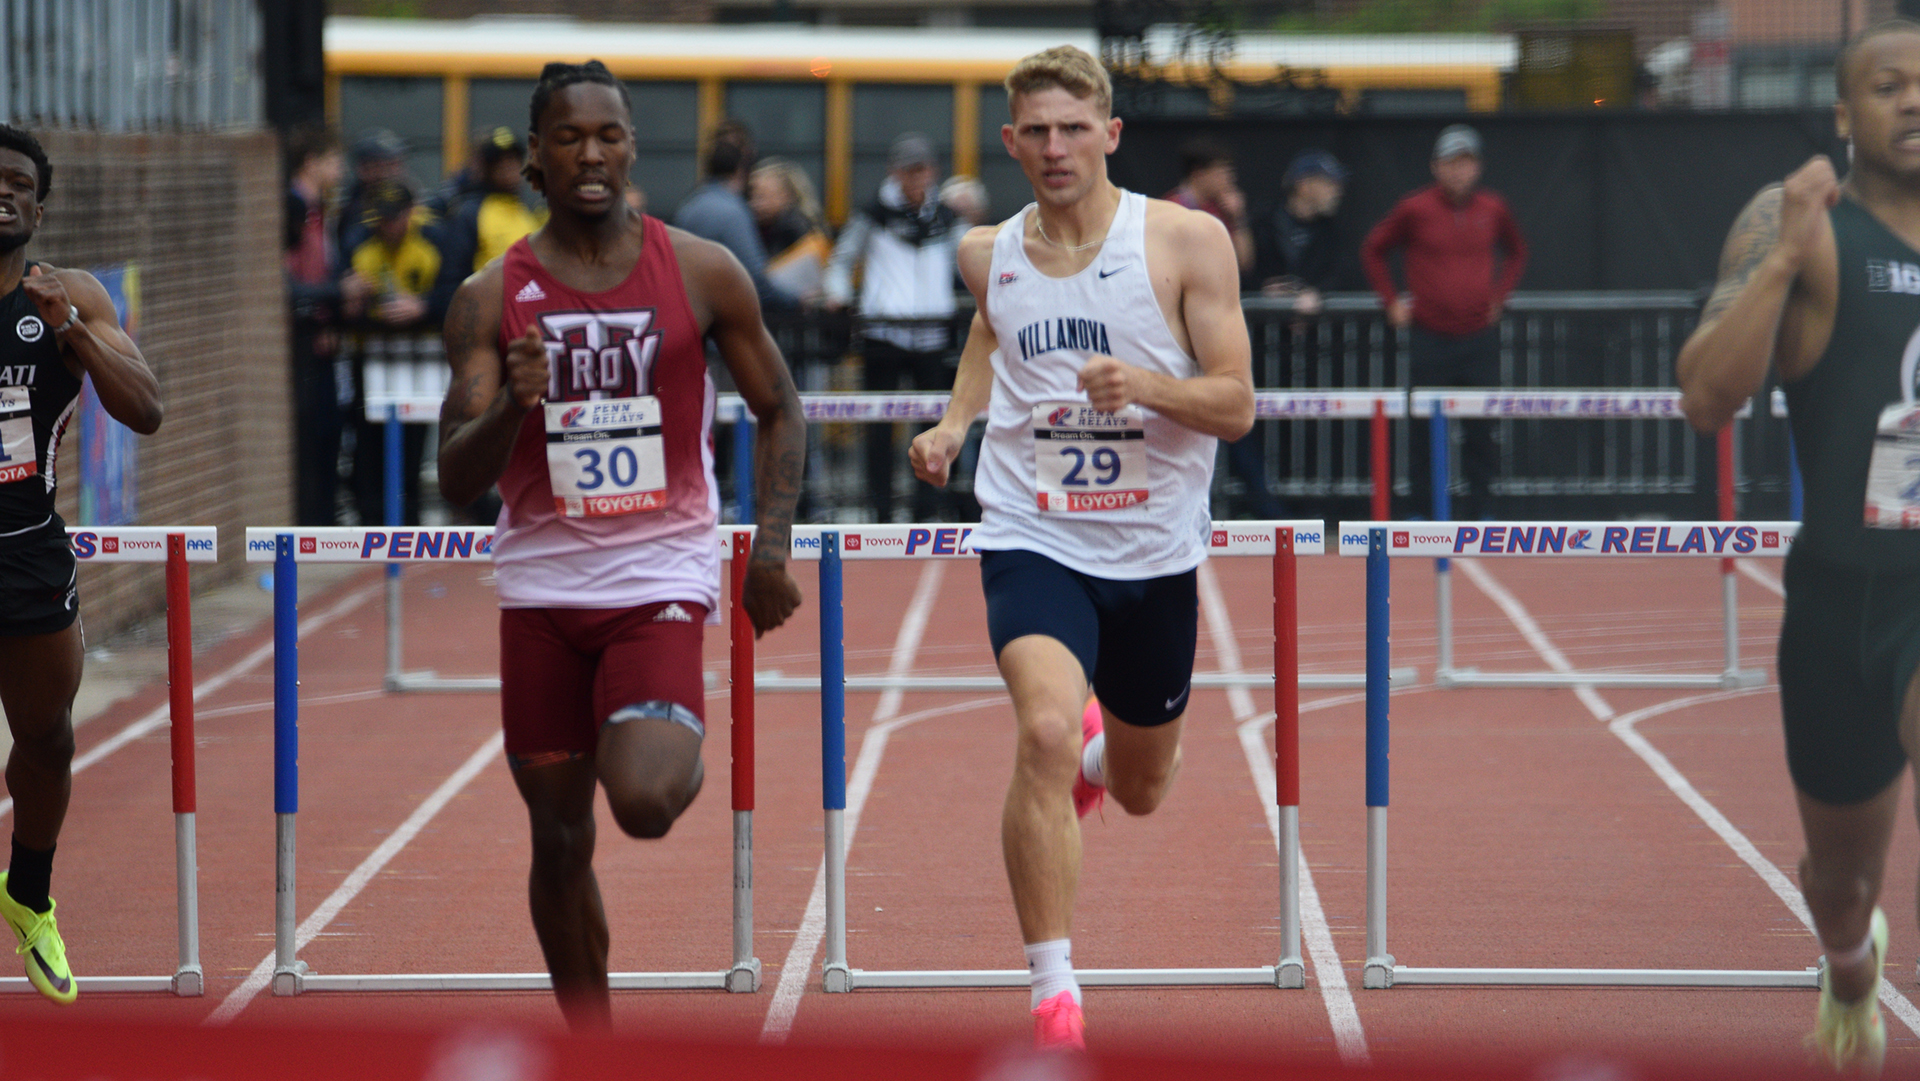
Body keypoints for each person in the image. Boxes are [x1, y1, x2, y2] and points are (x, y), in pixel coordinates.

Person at [436, 60, 805, 1031]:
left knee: (639, 798)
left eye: (609, 134)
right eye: (569, 136)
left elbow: (780, 407)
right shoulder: (489, 297)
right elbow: (453, 476)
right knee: (558, 841)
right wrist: (516, 409)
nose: (591, 153)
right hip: (542, 592)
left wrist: (767, 549)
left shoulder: (698, 270)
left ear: (633, 147)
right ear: (534, 159)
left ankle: (657, 714)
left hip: (658, 573)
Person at [908, 45, 1253, 1050]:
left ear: (1110, 134)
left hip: (1152, 552)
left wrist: (1145, 386)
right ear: (1012, 141)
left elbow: (1235, 404)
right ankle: (1053, 990)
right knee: (1045, 734)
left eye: (1074, 129)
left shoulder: (1187, 244)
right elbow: (990, 331)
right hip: (1033, 533)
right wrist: (955, 422)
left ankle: (1113, 752)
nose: (1055, 148)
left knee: (1140, 786)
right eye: (1037, 132)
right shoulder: (987, 251)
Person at [1677, 20, 1920, 1074]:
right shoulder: (1805, 226)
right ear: (1842, 114)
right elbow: (1705, 396)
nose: (1913, 100)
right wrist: (1779, 259)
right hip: (1840, 600)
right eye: (1888, 84)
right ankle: (1848, 958)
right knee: (1841, 886)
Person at [0, 123, 163, 1004]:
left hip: (26, 552)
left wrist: (77, 335)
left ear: (38, 203)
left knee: (49, 739)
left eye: (19, 182)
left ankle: (28, 897)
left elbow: (146, 410)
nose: (4, 191)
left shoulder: (69, 296)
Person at [1362, 124, 1527, 519]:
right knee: (1423, 430)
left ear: (1478, 167)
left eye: (1466, 163)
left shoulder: (1494, 208)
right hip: (1429, 336)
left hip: (1478, 337)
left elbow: (1518, 251)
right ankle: (1423, 512)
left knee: (1481, 429)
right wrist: (1391, 301)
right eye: (1451, 163)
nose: (1459, 171)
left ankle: (1483, 512)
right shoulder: (1414, 208)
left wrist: (1500, 295)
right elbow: (1373, 249)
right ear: (1436, 167)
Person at [826, 131, 965, 523]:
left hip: (933, 336)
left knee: (933, 429)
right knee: (879, 429)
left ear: (934, 172)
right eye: (909, 170)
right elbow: (840, 260)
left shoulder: (947, 218)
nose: (917, 178)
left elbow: (968, 263)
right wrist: (837, 294)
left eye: (923, 169)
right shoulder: (872, 214)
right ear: (895, 172)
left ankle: (925, 511)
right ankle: (880, 513)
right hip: (883, 336)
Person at [345, 178, 440, 528]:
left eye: (394, 218)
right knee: (369, 439)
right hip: (372, 356)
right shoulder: (363, 250)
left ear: (410, 214)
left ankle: (409, 517)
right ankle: (372, 519)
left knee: (414, 440)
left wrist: (422, 307)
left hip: (418, 356)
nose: (387, 226)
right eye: (381, 219)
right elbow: (345, 302)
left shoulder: (431, 246)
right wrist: (357, 302)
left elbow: (450, 292)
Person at [284, 124, 361, 526]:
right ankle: (312, 525)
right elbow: (287, 284)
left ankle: (322, 522)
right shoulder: (294, 210)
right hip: (303, 345)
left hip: (323, 342)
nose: (341, 170)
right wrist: (337, 292)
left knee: (330, 432)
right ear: (312, 162)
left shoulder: (321, 212)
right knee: (312, 435)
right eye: (334, 161)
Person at [673, 120, 796, 315]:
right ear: (741, 169)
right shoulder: (734, 212)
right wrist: (795, 301)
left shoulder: (688, 207)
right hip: (722, 321)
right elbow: (756, 280)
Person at [1163, 136, 1254, 276]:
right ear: (1198, 174)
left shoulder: (1223, 209)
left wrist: (1238, 217)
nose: (1229, 179)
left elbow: (1244, 263)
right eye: (1221, 173)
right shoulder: (1170, 208)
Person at [748, 156, 831, 304]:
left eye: (761, 197)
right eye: (752, 196)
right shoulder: (771, 225)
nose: (754, 204)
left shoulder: (791, 226)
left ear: (786, 196)